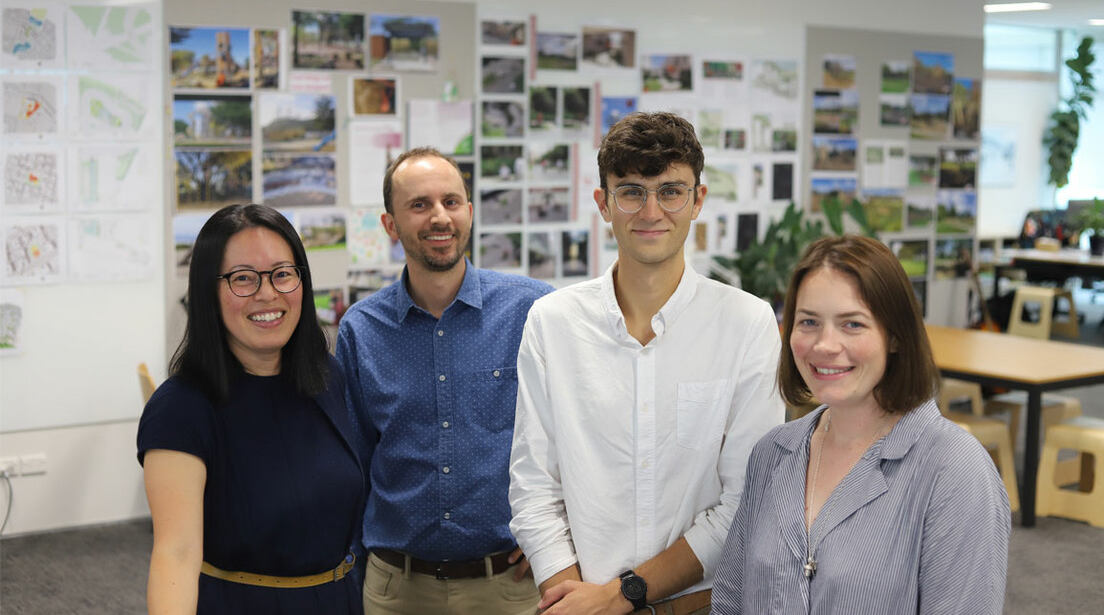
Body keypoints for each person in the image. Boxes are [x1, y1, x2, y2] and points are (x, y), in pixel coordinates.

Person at [509, 111, 785, 615]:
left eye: (671, 191)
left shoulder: (747, 324)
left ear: (698, 200)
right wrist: (575, 602)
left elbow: (745, 501)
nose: (651, 210)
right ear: (604, 204)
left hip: (697, 607)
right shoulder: (552, 323)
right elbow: (533, 490)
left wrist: (620, 597)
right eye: (632, 191)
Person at [711, 235, 1011, 614]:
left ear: (896, 337)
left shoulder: (955, 471)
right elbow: (730, 601)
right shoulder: (773, 453)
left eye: (852, 324)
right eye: (808, 322)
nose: (824, 345)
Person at [336, 147, 554, 614]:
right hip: (398, 589)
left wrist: (566, 530)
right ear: (390, 224)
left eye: (451, 202)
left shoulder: (532, 310)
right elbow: (354, 463)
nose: (439, 218)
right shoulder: (361, 329)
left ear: (469, 213)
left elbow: (578, 432)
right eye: (419, 205)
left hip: (511, 588)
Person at [138, 204, 364, 614]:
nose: (267, 293)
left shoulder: (326, 376)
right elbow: (176, 555)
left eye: (282, 274)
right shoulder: (179, 409)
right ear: (208, 291)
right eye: (243, 278)